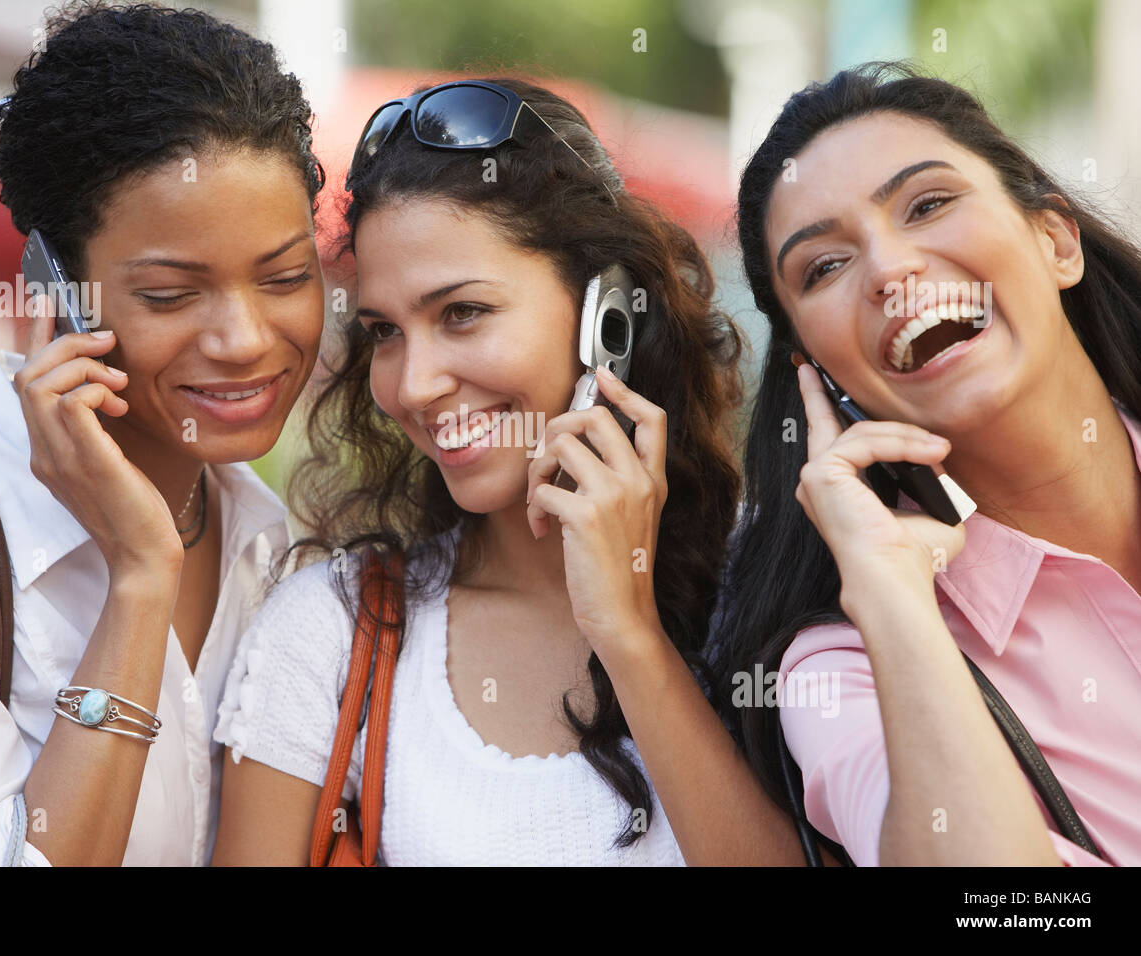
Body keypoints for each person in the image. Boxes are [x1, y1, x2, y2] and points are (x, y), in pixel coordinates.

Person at [211, 77, 807, 865]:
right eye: (385, 330)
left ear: (609, 320)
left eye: (462, 313)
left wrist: (628, 632)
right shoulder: (331, 629)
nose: (414, 384)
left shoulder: (777, 589)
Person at [0, 1, 325, 865]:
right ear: (53, 285)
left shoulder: (262, 535)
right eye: (172, 294)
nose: (246, 339)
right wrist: (140, 580)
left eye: (286, 275)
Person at [715, 62, 1141, 866]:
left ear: (1054, 240)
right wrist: (889, 589)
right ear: (819, 373)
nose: (888, 270)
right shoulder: (841, 670)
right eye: (825, 267)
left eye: (929, 204)